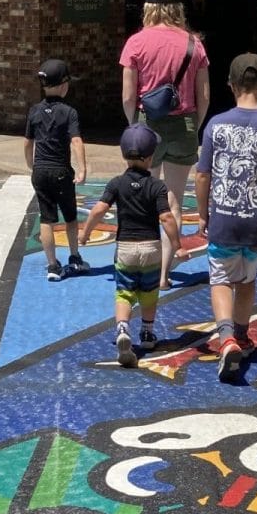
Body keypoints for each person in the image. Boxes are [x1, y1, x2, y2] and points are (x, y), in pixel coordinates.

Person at [195, 53, 257, 381]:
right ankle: (244, 333)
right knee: (247, 281)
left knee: (220, 279)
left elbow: (203, 175)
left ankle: (226, 337)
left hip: (223, 218)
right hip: (256, 223)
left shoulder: (215, 125)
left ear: (231, 85)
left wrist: (203, 214)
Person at [120, 0, 210, 289]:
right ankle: (164, 275)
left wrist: (134, 124)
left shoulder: (136, 42)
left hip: (147, 124)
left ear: (148, 7)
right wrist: (192, 126)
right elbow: (205, 97)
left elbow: (128, 96)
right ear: (177, 8)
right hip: (183, 123)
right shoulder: (194, 44)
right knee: (173, 201)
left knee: (144, 197)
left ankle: (141, 269)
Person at [82, 123, 181, 368]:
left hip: (125, 247)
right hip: (151, 248)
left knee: (124, 292)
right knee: (149, 292)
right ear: (150, 158)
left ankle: (123, 329)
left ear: (123, 154)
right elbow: (166, 217)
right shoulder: (157, 186)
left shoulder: (116, 183)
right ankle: (147, 333)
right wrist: (177, 244)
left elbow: (99, 209)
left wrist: (85, 233)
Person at [23, 57, 88, 283]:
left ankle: (52, 265)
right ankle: (75, 256)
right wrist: (81, 169)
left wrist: (31, 165)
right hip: (61, 170)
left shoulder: (34, 111)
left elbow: (27, 142)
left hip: (40, 170)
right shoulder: (69, 112)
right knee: (70, 216)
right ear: (63, 85)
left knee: (46, 218)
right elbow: (76, 141)